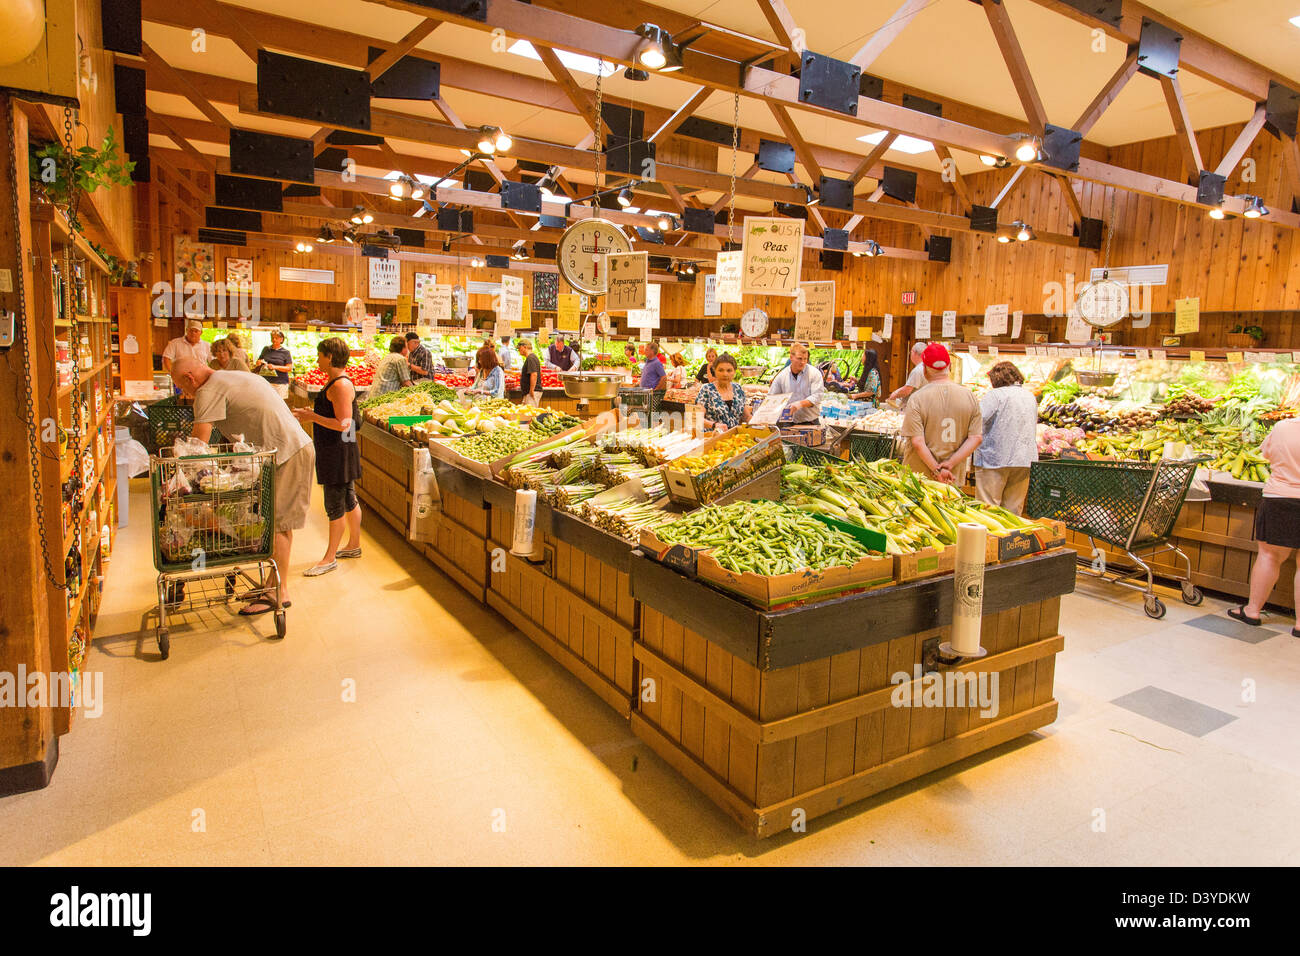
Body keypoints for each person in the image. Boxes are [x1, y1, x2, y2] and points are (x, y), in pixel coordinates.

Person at [170, 358, 314, 616]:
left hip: (288, 454)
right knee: (273, 521)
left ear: (189, 378)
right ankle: (271, 585)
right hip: (286, 450)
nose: (185, 394)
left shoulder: (208, 390)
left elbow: (198, 441)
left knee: (280, 523)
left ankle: (279, 592)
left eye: (182, 387)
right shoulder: (233, 377)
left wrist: (182, 475)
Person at [291, 337, 362, 577]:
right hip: (341, 449)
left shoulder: (340, 385)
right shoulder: (337, 382)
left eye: (320, 354)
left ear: (330, 357)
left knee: (335, 505)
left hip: (337, 451)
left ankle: (329, 558)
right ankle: (353, 545)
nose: (318, 359)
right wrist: (311, 413)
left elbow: (344, 424)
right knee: (349, 497)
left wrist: (312, 417)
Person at [1229, 417, 1300, 634]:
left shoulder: (1283, 427)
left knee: (1269, 556)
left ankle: (1252, 611)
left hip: (1280, 497)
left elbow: (1267, 454)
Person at [900, 343, 982, 485]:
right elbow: (976, 438)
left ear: (924, 369)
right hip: (953, 477)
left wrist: (937, 470)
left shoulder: (917, 398)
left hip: (919, 479)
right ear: (949, 367)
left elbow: (918, 442)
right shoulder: (970, 397)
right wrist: (949, 464)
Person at [973, 361, 1038, 513]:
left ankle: (989, 537)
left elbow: (978, 420)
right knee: (1013, 510)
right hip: (1024, 459)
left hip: (994, 458)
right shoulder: (1030, 396)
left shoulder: (995, 395)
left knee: (988, 508)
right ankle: (1010, 537)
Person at [767, 343, 824, 424]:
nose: (803, 362)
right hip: (788, 423)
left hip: (810, 423)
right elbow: (772, 398)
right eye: (799, 358)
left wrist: (800, 404)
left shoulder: (814, 373)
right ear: (791, 357)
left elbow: (817, 396)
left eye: (805, 359)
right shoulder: (782, 376)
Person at [697, 353, 750, 431]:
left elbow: (747, 417)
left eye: (729, 370)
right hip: (713, 437)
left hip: (734, 438)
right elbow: (698, 418)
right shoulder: (706, 389)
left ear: (734, 372)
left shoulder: (738, 389)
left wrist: (758, 423)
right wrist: (714, 425)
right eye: (721, 370)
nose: (725, 374)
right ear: (714, 371)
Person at [253, 329, 293, 399]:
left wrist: (275, 367)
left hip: (280, 383)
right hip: (266, 382)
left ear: (281, 339)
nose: (274, 340)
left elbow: (289, 368)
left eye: (276, 338)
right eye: (272, 338)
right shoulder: (266, 349)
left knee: (279, 404)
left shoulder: (286, 352)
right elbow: (259, 360)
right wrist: (259, 362)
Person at [889, 341, 929, 406]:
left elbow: (907, 390)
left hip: (915, 406)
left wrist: (895, 394)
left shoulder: (918, 370)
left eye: (911, 352)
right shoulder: (927, 367)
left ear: (914, 353)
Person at [517, 338, 542, 406]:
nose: (518, 350)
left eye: (519, 348)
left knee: (530, 414)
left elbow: (534, 374)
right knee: (527, 412)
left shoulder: (531, 358)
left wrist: (531, 390)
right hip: (529, 392)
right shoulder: (531, 357)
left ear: (524, 347)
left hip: (532, 392)